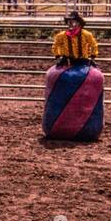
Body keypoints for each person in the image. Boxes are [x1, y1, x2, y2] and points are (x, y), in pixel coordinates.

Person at [43, 12, 104, 141]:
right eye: (69, 21)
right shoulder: (62, 36)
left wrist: (92, 57)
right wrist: (59, 56)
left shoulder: (86, 35)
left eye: (74, 21)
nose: (71, 23)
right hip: (67, 60)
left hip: (83, 61)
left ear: (79, 23)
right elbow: (55, 46)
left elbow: (94, 45)